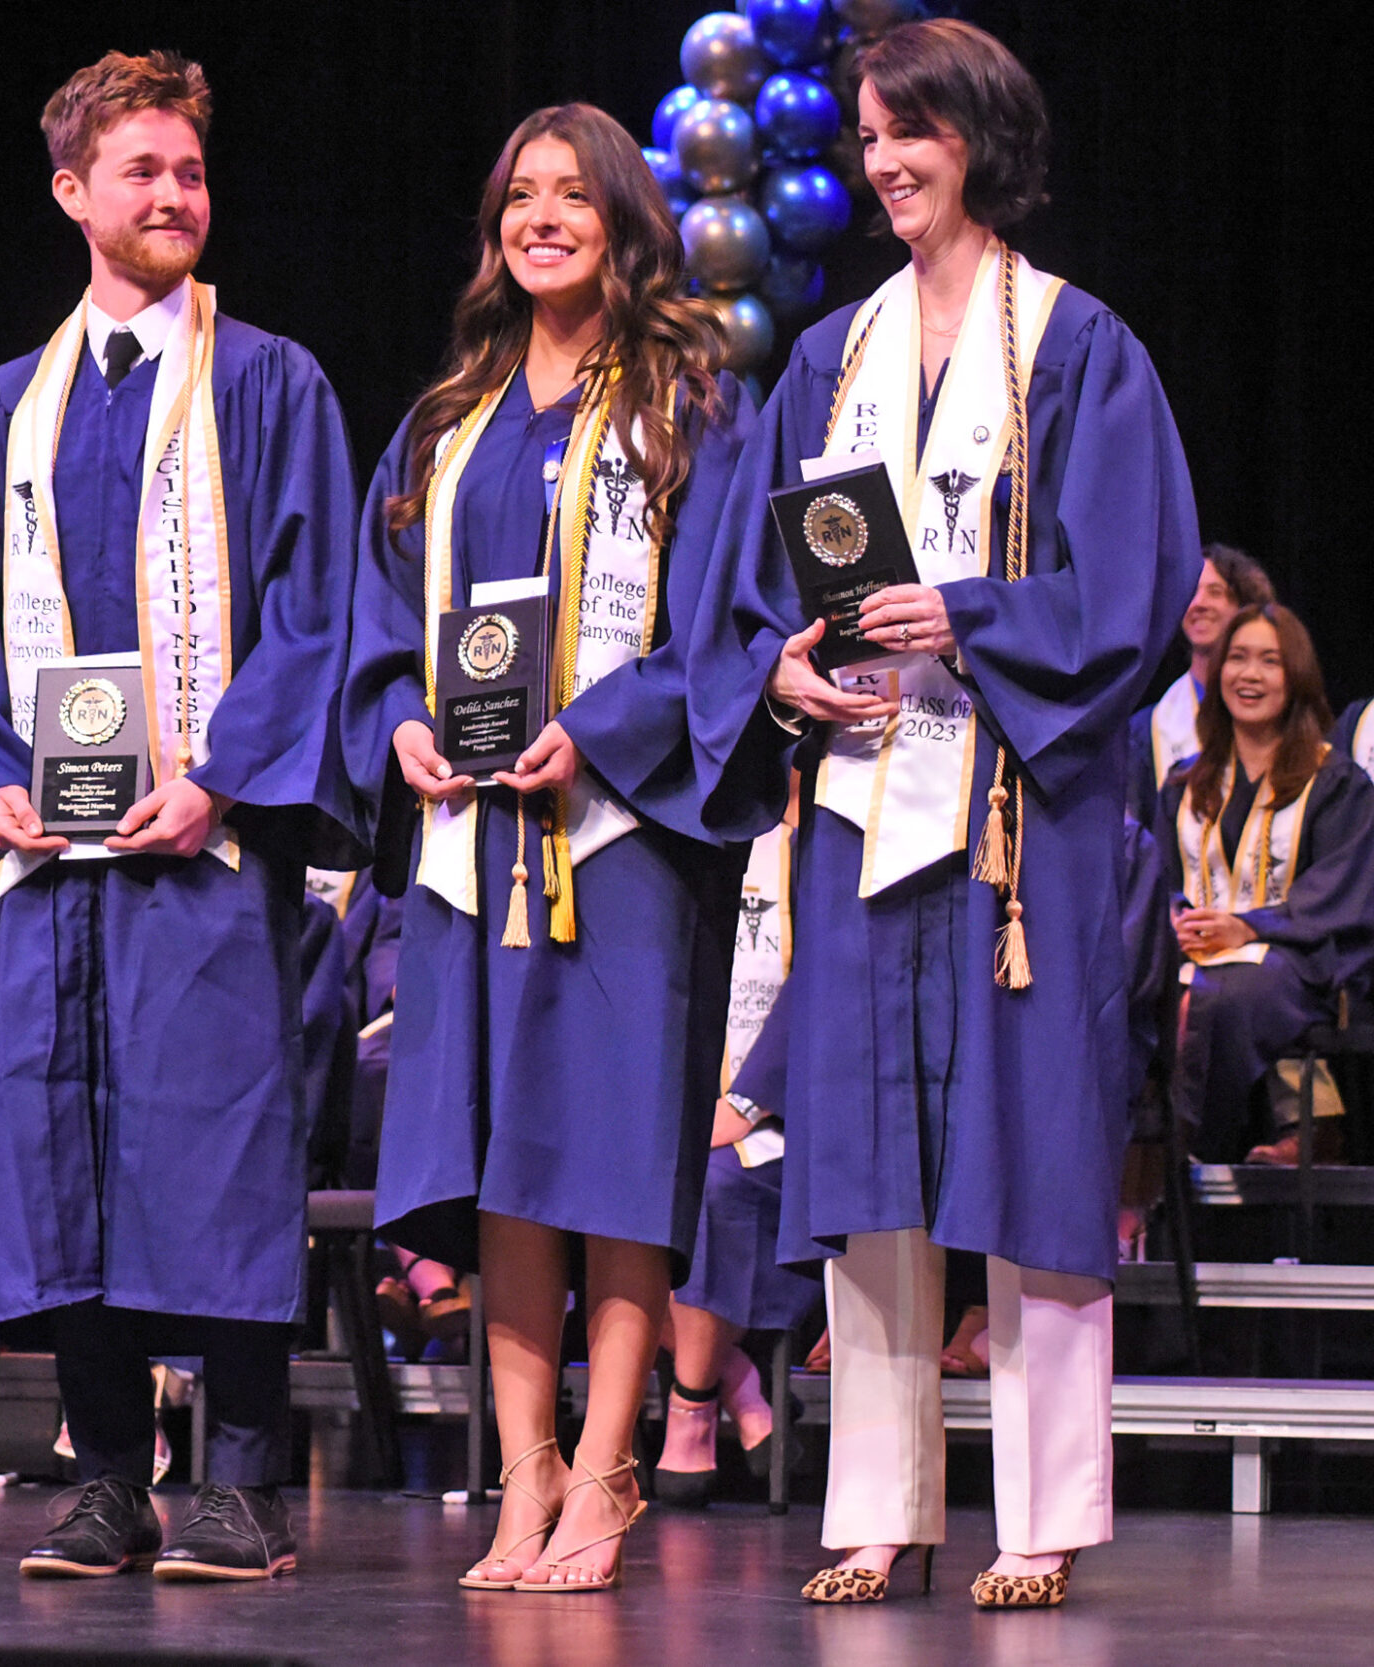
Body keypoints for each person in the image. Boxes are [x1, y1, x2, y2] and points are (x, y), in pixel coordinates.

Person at [698, 20, 1199, 1607]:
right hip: (859, 807)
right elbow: (752, 583)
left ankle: (1041, 1514)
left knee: (1029, 1152)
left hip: (1012, 820)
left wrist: (965, 614)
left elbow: (1130, 580)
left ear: (976, 136)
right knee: (863, 1161)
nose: (884, 162)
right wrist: (785, 669)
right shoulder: (828, 359)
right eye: (865, 140)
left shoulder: (1075, 344)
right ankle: (882, 1502)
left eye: (909, 131)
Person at [0, 51, 362, 1583]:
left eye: (189, 170)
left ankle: (241, 1472)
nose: (174, 197)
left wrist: (224, 771)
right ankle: (107, 1470)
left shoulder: (267, 380)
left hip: (204, 851)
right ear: (72, 193)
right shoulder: (3, 409)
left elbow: (312, 602)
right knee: (62, 1145)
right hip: (50, 862)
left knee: (217, 1145)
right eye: (142, 172)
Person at [342, 102, 755, 1593]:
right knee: (506, 1167)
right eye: (521, 196)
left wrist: (601, 724)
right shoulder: (447, 417)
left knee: (613, 1166)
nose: (543, 220)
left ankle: (612, 1464)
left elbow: (722, 625)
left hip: (620, 841)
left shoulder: (686, 404)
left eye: (574, 197)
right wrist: (395, 720)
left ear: (625, 219)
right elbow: (381, 623)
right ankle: (523, 1476)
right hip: (468, 845)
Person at [654, 780, 822, 1506]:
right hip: (675, 1096)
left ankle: (691, 1404)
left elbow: (826, 982)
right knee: (599, 1192)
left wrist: (750, 1098)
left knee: (712, 1189)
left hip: (786, 1116)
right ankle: (744, 1386)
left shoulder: (825, 833)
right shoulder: (686, 822)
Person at [1159, 605, 1374, 1164]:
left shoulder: (1336, 782)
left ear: (1296, 676)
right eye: (1237, 658)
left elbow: (1339, 891)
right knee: (1151, 991)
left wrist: (1246, 927)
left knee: (1232, 994)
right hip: (1195, 953)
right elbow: (1157, 875)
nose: (1249, 675)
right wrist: (1179, 916)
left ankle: (1184, 1156)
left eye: (1269, 661)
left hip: (1299, 957)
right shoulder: (1184, 783)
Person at [1128, 545, 1274, 818]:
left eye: (1215, 592)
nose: (1198, 604)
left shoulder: (1280, 715)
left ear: (1245, 606)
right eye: (1191, 591)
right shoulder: (1145, 732)